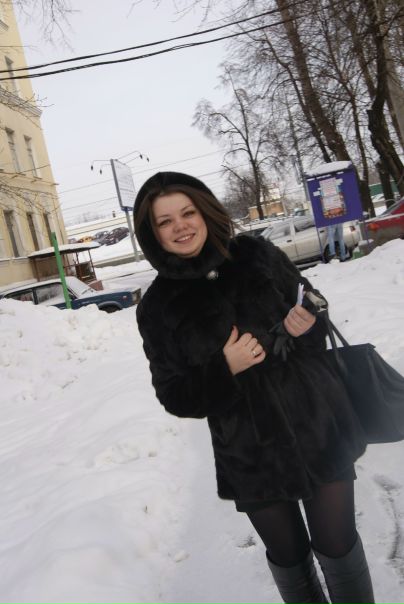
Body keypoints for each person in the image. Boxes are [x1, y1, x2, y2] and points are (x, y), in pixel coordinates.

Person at [134, 171, 375, 604]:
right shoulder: (156, 307)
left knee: (338, 545)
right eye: (165, 221)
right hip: (250, 451)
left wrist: (307, 321)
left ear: (205, 212)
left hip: (316, 423)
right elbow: (174, 394)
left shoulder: (255, 254)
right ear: (152, 232)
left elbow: (313, 303)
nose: (181, 226)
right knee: (289, 557)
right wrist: (225, 368)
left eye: (188, 213)